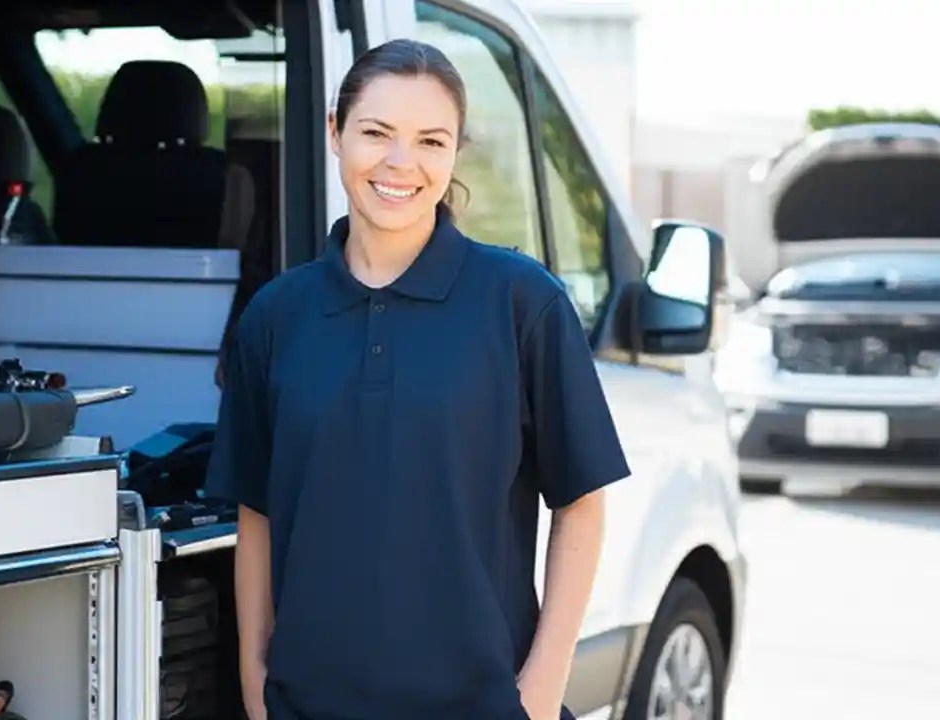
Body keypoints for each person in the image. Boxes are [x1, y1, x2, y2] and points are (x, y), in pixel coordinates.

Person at [204, 38, 631, 720]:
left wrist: (544, 688)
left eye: (432, 141)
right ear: (335, 134)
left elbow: (581, 501)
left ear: (456, 152)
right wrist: (257, 686)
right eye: (377, 133)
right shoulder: (277, 316)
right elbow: (256, 512)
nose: (402, 164)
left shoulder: (522, 302)